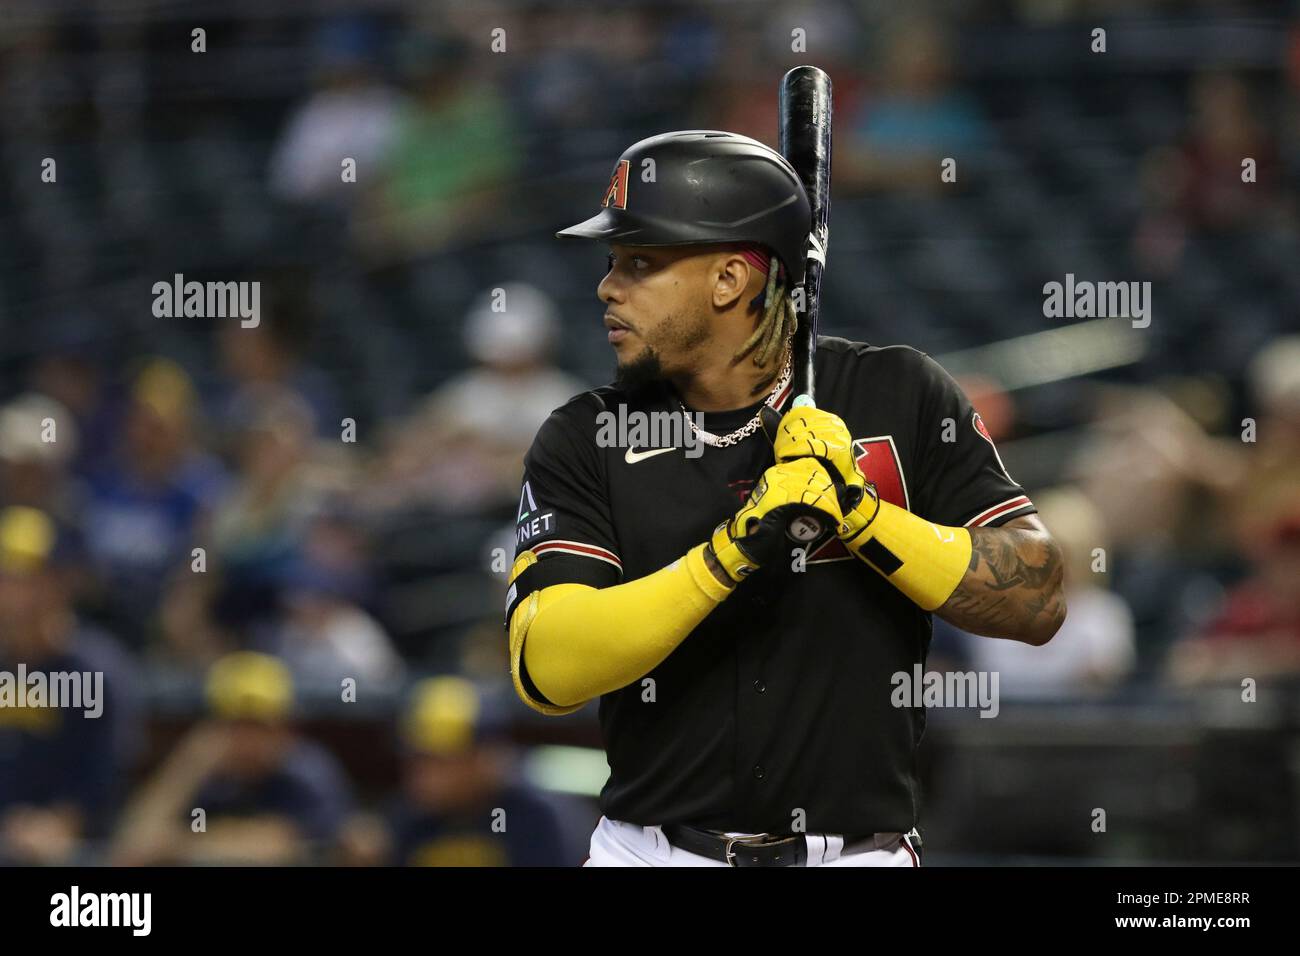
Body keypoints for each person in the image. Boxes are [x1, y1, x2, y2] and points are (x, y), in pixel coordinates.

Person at [505, 130, 1065, 867]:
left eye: (641, 263)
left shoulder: (895, 395)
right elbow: (545, 668)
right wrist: (733, 551)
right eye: (613, 263)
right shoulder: (588, 437)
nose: (608, 286)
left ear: (731, 279)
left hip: (858, 854)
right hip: (653, 853)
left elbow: (1037, 596)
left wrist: (863, 517)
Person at [110, 651, 352, 865]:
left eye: (258, 724)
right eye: (234, 724)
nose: (246, 738)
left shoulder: (307, 772)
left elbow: (276, 848)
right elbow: (133, 847)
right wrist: (187, 766)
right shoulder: (207, 773)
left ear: (284, 728)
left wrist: (178, 846)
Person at [0, 506, 140, 864]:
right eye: (8, 577)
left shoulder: (97, 670)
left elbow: (102, 779)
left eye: (31, 576)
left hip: (67, 854)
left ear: (61, 581)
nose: (17, 592)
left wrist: (58, 826)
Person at [340, 676, 569, 867]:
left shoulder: (535, 819)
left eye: (439, 761)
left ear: (485, 758)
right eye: (415, 759)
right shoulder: (405, 820)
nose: (422, 774)